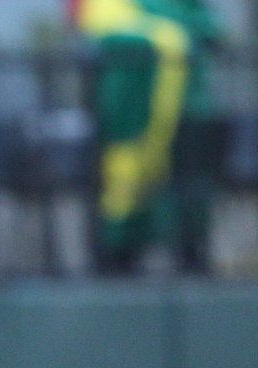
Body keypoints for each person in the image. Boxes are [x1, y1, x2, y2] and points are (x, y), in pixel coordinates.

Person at [74, 0, 224, 273]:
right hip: (128, 122)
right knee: (126, 188)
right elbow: (93, 23)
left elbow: (210, 30)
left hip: (187, 113)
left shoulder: (186, 13)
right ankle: (120, 254)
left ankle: (190, 255)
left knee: (188, 194)